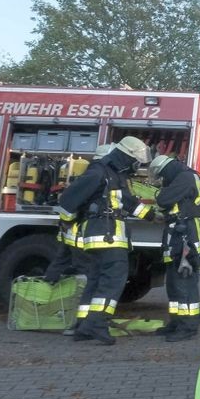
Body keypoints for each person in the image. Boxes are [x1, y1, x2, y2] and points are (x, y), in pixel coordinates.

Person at [56, 136, 153, 345]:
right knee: (114, 280)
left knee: (97, 280)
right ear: (127, 156)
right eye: (136, 160)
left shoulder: (114, 174)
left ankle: (83, 326)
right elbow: (68, 201)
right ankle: (98, 323)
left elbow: (126, 202)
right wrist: (68, 223)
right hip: (106, 236)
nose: (137, 165)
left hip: (107, 235)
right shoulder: (98, 172)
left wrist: (151, 215)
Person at [45, 143, 113, 336]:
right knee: (92, 280)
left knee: (67, 265)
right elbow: (71, 208)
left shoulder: (90, 175)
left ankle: (79, 322)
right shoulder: (97, 177)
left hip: (73, 238)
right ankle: (82, 324)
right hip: (82, 240)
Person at [149, 154, 200, 342]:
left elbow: (164, 200)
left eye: (162, 175)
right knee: (174, 284)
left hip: (187, 238)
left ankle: (188, 326)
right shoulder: (181, 178)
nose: (162, 179)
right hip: (177, 236)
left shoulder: (185, 177)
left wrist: (160, 192)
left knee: (184, 283)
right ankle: (176, 322)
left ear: (167, 169)